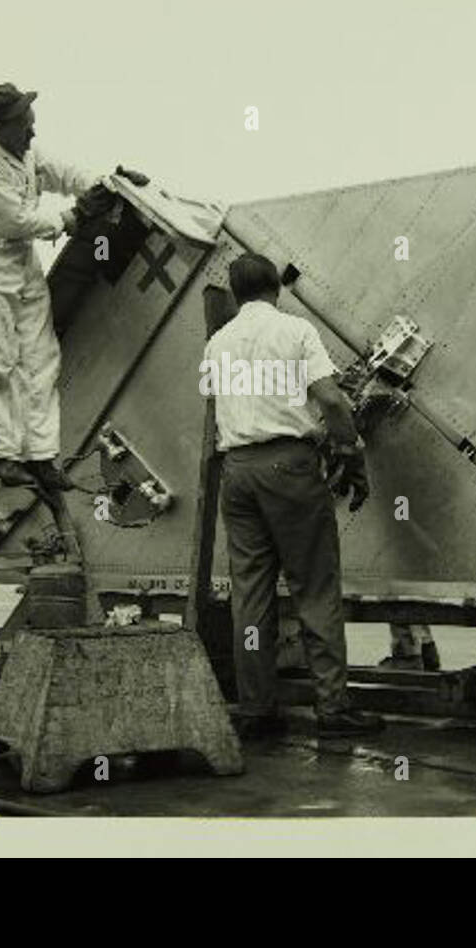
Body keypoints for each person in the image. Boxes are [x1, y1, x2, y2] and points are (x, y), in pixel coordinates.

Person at [204, 251, 386, 740]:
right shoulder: (296, 331)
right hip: (289, 467)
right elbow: (329, 398)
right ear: (274, 288)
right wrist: (351, 450)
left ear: (237, 294)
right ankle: (333, 708)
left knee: (250, 596)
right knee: (315, 587)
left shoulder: (217, 343)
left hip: (237, 473)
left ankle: (257, 710)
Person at [0, 82, 147, 490]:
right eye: (25, 125)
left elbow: (67, 175)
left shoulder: (27, 154)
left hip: (20, 265)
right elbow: (16, 222)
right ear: (0, 128)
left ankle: (39, 456)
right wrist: (71, 218)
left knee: (41, 358)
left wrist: (109, 182)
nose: (32, 132)